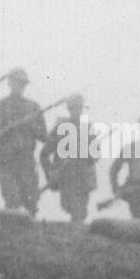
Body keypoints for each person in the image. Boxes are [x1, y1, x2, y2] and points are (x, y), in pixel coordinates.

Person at [0, 69, 48, 215]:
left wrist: (31, 127)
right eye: (16, 82)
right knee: (12, 201)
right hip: (5, 161)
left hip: (26, 162)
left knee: (31, 203)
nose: (19, 86)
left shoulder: (33, 107)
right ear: (10, 83)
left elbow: (45, 137)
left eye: (22, 83)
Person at [40, 94, 98, 223]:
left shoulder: (87, 128)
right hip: (66, 177)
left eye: (79, 108)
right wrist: (50, 174)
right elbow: (44, 154)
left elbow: (96, 155)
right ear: (69, 109)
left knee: (80, 212)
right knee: (71, 208)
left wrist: (86, 154)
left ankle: (78, 238)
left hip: (82, 177)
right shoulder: (60, 128)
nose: (76, 111)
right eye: (73, 108)